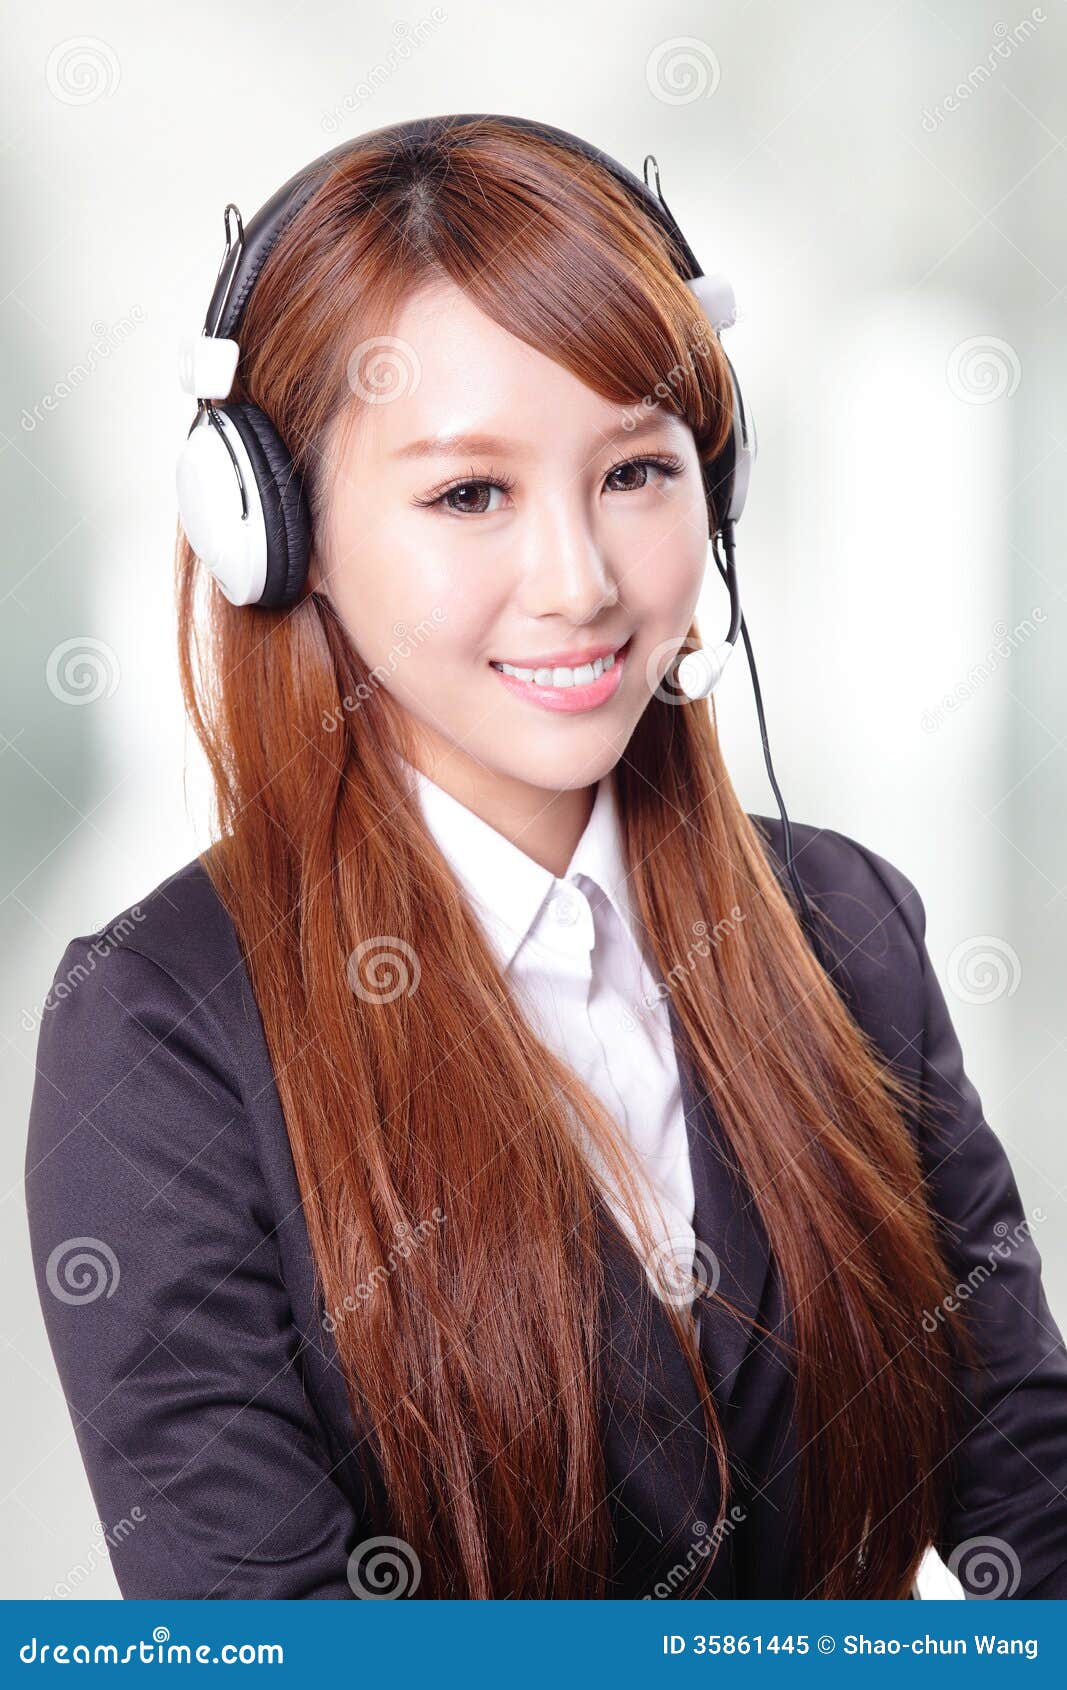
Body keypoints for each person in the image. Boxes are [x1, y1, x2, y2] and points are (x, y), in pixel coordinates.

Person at [24, 114, 1067, 1601]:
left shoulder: (844, 925)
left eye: (636, 472)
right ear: (278, 530)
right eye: (469, 495)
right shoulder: (158, 1027)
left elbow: (1022, 1467)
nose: (580, 583)